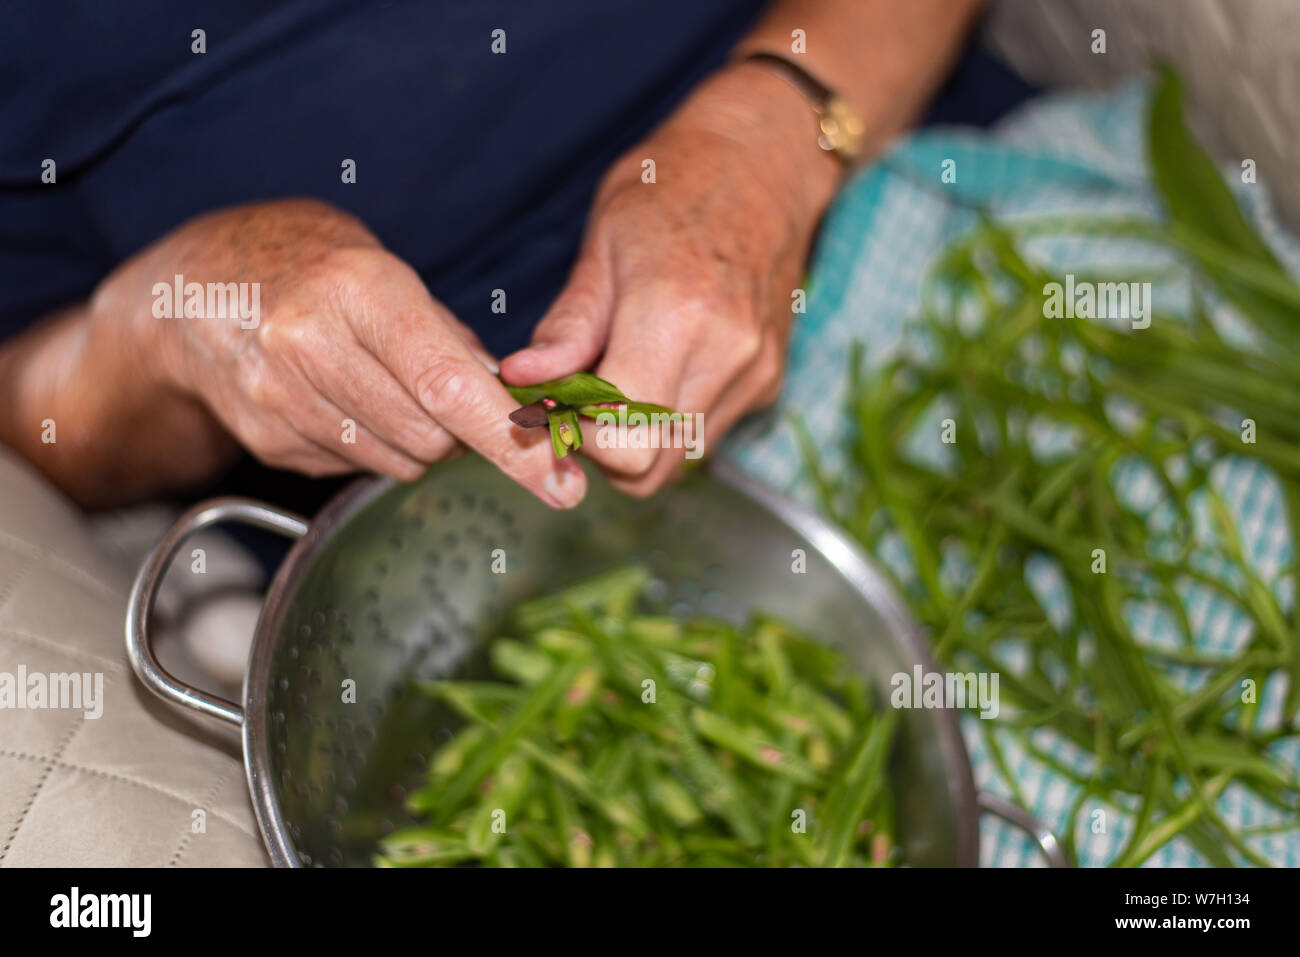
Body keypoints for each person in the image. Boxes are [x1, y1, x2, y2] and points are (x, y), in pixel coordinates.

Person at [0, 0, 982, 511]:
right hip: (420, 522)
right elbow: (36, 406)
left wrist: (783, 119)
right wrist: (171, 323)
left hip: (917, 196)